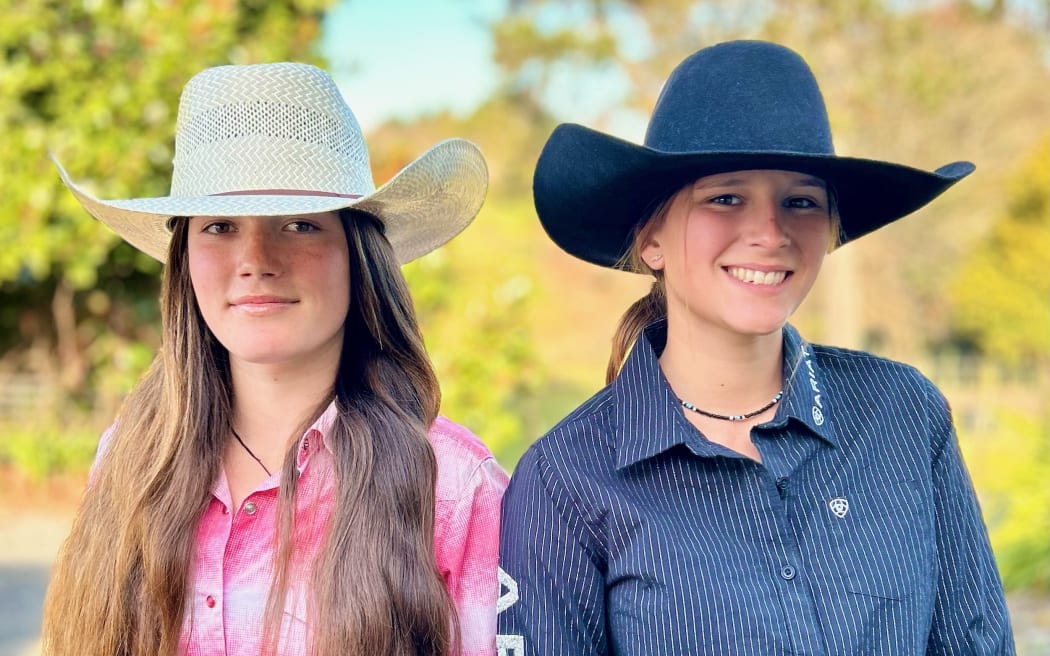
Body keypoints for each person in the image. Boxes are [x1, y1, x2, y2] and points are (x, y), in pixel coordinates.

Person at [497, 40, 1013, 655]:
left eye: (801, 202)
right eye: (725, 198)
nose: (770, 233)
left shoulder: (904, 415)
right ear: (651, 240)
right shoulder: (564, 481)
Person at [43, 62, 507, 656]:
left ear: (356, 254)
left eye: (297, 224)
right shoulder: (129, 459)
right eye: (218, 226)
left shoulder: (455, 486)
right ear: (185, 259)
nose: (255, 259)